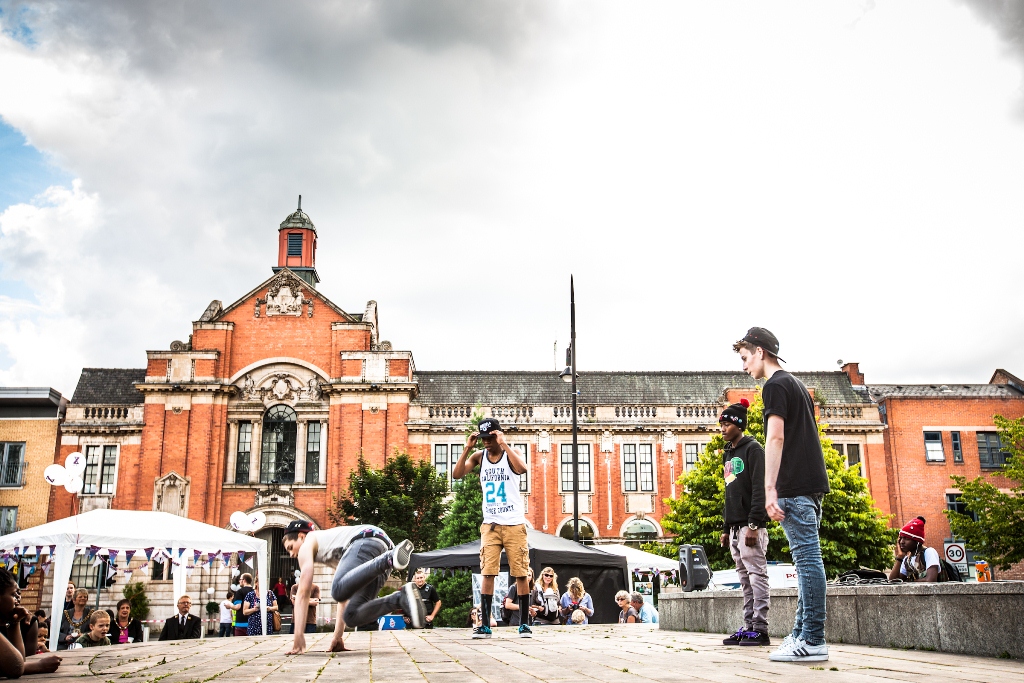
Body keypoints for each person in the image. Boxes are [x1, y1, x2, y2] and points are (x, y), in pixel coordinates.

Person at [736, 327, 829, 663]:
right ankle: (802, 633)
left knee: (807, 563)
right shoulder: (795, 384)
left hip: (795, 487)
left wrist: (769, 488)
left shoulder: (775, 385)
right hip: (808, 485)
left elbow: (775, 438)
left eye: (745, 358)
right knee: (806, 562)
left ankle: (814, 638)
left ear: (760, 351)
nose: (744, 366)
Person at [282, 519, 424, 655]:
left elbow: (303, 592)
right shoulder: (333, 551)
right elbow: (344, 596)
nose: (292, 554)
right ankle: (399, 598)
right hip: (380, 546)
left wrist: (298, 635)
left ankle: (390, 558)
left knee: (337, 590)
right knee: (351, 616)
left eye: (290, 547)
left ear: (301, 536)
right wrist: (338, 637)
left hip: (366, 539)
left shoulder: (308, 541)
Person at [452, 418, 532, 638]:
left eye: (490, 438)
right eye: (483, 439)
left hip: (514, 522)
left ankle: (524, 624)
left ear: (498, 435)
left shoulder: (510, 453)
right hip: (491, 524)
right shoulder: (479, 457)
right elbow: (457, 474)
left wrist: (504, 444)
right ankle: (485, 624)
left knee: (521, 573)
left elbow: (522, 469)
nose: (486, 442)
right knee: (488, 571)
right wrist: (468, 448)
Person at [718, 398, 771, 647]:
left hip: (751, 527)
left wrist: (754, 524)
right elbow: (729, 495)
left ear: (739, 425)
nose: (723, 428)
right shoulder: (728, 454)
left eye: (727, 424)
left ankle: (761, 629)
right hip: (735, 527)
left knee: (756, 575)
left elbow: (761, 489)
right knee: (743, 578)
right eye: (721, 424)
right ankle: (748, 626)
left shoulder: (753, 449)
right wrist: (726, 528)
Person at [0, 568, 61, 676]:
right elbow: (15, 667)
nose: (18, 598)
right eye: (13, 594)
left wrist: (15, 622)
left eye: (19, 593)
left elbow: (19, 663)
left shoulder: (25, 621)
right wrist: (39, 666)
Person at [889, 517, 943, 583]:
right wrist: (900, 557)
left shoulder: (929, 552)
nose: (902, 542)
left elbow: (931, 580)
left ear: (917, 541)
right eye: (901, 538)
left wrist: (908, 582)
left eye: (907, 538)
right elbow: (893, 582)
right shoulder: (906, 560)